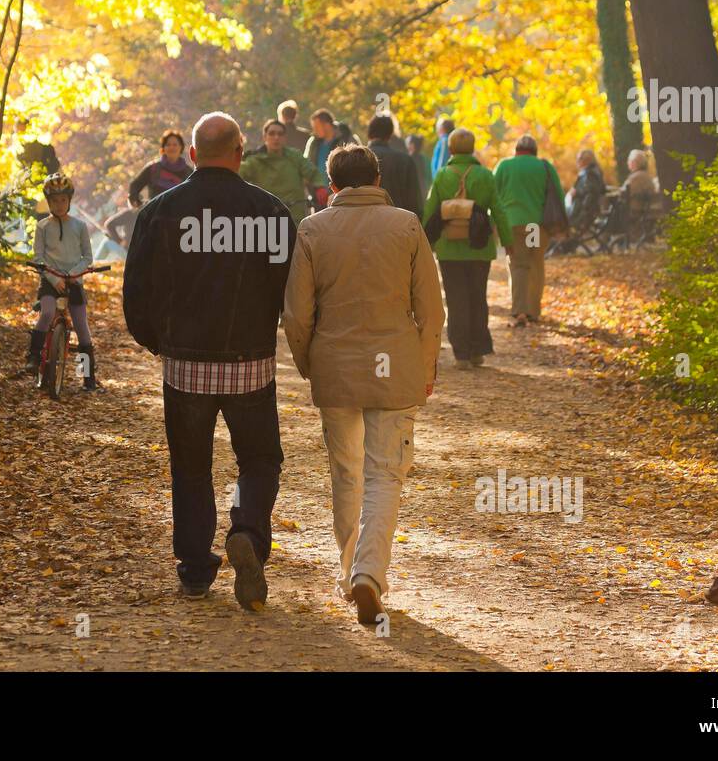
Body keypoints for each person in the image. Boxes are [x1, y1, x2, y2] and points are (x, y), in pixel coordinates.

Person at [123, 112, 295, 609]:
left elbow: (136, 293)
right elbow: (290, 290)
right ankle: (245, 529)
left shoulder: (160, 212)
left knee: (192, 466)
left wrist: (161, 342)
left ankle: (197, 569)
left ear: (193, 155)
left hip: (185, 368)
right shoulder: (271, 213)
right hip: (251, 366)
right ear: (240, 153)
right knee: (259, 460)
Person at [283, 145, 443, 625]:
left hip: (335, 365)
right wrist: (427, 364)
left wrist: (310, 362)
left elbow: (296, 313)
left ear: (331, 184)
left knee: (346, 473)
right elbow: (430, 309)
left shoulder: (311, 229)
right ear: (377, 177)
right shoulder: (407, 225)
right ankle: (368, 575)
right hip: (394, 364)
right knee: (384, 474)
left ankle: (350, 566)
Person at [422, 128, 513, 368]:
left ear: (450, 149)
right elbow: (498, 208)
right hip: (479, 246)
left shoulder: (442, 175)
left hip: (449, 249)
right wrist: (507, 241)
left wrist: (423, 242)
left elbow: (431, 209)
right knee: (477, 297)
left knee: (455, 299)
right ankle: (477, 351)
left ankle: (460, 353)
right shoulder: (484, 175)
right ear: (472, 149)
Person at [30, 173, 101, 391]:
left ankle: (88, 378)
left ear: (69, 200)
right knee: (47, 313)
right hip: (50, 279)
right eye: (54, 201)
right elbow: (38, 257)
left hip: (74, 280)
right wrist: (54, 277)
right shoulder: (42, 226)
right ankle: (32, 358)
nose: (59, 205)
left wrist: (72, 275)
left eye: (63, 200)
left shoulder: (80, 226)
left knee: (82, 328)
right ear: (48, 202)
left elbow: (87, 258)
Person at [493, 135, 564, 325]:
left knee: (517, 265)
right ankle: (533, 311)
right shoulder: (544, 166)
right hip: (535, 225)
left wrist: (493, 225)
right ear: (535, 151)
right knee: (535, 264)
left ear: (516, 150)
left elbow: (493, 195)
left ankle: (519, 310)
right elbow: (558, 194)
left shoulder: (504, 166)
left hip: (512, 224)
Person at [240, 118, 329, 223]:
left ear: (285, 138)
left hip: (294, 219)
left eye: (280, 134)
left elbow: (311, 172)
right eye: (272, 134)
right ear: (265, 137)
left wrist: (320, 186)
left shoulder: (295, 156)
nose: (276, 137)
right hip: (266, 220)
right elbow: (236, 176)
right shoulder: (254, 161)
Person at [365, 114, 423, 215]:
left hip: (364, 224)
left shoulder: (357, 159)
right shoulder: (405, 161)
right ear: (390, 134)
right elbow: (414, 201)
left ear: (369, 132)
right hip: (398, 223)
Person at [128, 130, 193, 207]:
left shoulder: (188, 172)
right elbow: (135, 186)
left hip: (180, 215)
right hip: (155, 214)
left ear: (181, 147)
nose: (171, 147)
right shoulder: (153, 169)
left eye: (175, 144)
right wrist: (136, 201)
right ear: (163, 148)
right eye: (168, 145)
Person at [304, 108, 356, 184]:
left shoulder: (347, 139)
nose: (314, 131)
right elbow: (306, 165)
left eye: (316, 127)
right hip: (318, 192)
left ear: (327, 125)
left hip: (341, 191)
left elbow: (356, 164)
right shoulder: (313, 142)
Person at [567, 148, 606, 230]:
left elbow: (590, 194)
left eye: (579, 159)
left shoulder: (589, 174)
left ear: (586, 160)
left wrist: (576, 192)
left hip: (581, 212)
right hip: (583, 210)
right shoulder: (592, 172)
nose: (577, 161)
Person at [406, 133, 432, 202]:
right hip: (424, 189)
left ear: (412, 145)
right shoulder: (425, 158)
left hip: (414, 191)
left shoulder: (409, 159)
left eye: (407, 142)